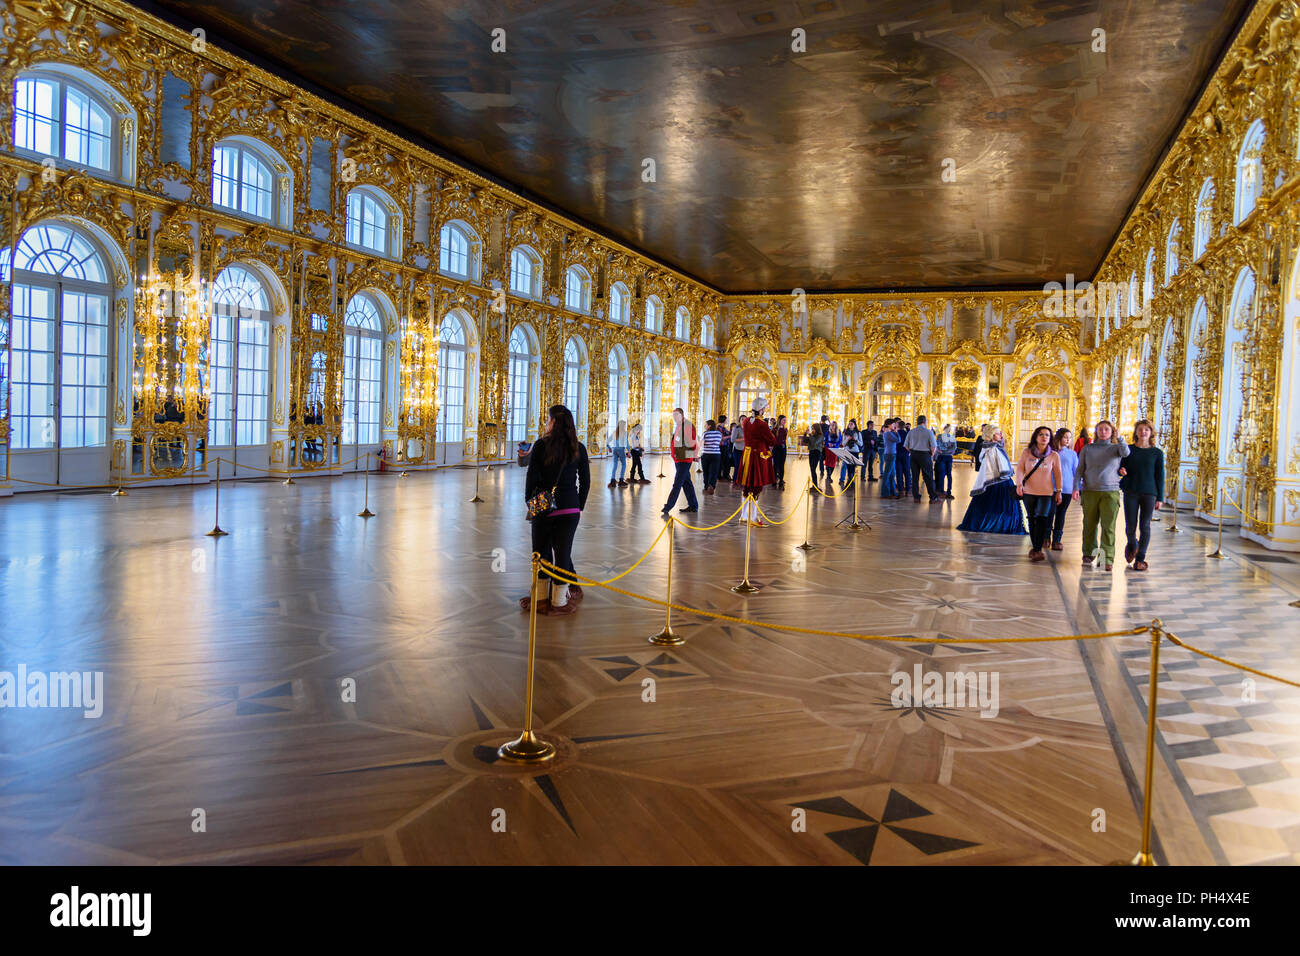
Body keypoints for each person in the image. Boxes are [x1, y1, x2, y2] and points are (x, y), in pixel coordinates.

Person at [520, 404, 591, 616]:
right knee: (562, 556)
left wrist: (531, 504)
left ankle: (541, 599)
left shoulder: (541, 446)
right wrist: (577, 505)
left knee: (541, 554)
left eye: (547, 420)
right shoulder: (578, 447)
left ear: (553, 423)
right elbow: (585, 482)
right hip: (569, 510)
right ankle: (559, 601)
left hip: (544, 507)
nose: (545, 423)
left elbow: (531, 479)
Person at [1074, 419, 1129, 570]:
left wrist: (1120, 438)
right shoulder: (1088, 448)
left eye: (1107, 429)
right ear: (1096, 431)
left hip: (1110, 492)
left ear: (1111, 432)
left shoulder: (1116, 448)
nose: (1103, 432)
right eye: (1101, 429)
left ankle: (1106, 558)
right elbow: (1080, 469)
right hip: (1090, 491)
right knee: (1089, 525)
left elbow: (1126, 452)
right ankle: (1089, 553)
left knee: (1108, 526)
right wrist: (1075, 488)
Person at [957, 425, 1026, 535]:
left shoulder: (990, 447)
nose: (1000, 435)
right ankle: (999, 525)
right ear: (991, 435)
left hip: (995, 481)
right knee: (1002, 506)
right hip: (998, 481)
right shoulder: (992, 449)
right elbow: (996, 468)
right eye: (998, 433)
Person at [1121, 419, 1164, 572]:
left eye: (1146, 429)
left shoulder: (1157, 453)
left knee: (1145, 526)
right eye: (1140, 429)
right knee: (1130, 527)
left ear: (1151, 433)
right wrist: (1121, 471)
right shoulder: (1128, 449)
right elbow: (1121, 466)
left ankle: (1140, 559)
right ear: (1136, 432)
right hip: (1131, 491)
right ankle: (1133, 545)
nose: (1143, 432)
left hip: (1150, 493)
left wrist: (1160, 498)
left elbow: (1160, 476)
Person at [1014, 426, 1063, 561]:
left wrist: (1059, 491)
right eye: (1041, 434)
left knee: (1041, 518)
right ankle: (1036, 547)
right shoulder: (1027, 453)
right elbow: (1020, 469)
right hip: (1029, 491)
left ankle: (1037, 549)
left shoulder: (1054, 455)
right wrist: (1019, 484)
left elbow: (1058, 475)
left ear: (1050, 438)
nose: (1044, 437)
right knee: (1032, 519)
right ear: (1035, 437)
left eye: (1047, 435)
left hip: (1046, 493)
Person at [738, 398, 778, 525]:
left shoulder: (746, 421)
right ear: (761, 409)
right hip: (757, 457)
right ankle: (753, 517)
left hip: (747, 455)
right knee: (756, 487)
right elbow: (772, 441)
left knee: (746, 487)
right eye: (764, 408)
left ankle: (744, 515)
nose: (765, 409)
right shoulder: (762, 424)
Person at [661, 408, 700, 516]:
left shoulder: (687, 426)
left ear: (682, 415)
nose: (674, 417)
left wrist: (693, 455)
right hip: (679, 458)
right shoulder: (679, 426)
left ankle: (668, 506)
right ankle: (693, 505)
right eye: (673, 415)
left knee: (677, 483)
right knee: (687, 483)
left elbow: (693, 442)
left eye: (676, 414)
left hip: (684, 459)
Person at [1050, 428, 1078, 551]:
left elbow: (1076, 471)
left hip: (1066, 487)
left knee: (1061, 514)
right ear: (1059, 438)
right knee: (1049, 513)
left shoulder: (1072, 454)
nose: (1068, 440)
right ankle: (1046, 537)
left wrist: (1077, 487)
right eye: (1065, 437)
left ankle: (1057, 540)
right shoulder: (1050, 452)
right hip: (1050, 487)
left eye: (1069, 438)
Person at [904, 414, 939, 502]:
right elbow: (934, 446)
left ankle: (916, 497)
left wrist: (912, 452)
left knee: (915, 477)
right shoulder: (928, 432)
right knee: (928, 476)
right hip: (925, 455)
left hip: (914, 454)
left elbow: (906, 446)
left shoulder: (911, 432)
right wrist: (931, 454)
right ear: (925, 422)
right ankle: (932, 497)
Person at [700, 418, 723, 495]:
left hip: (706, 454)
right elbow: (719, 442)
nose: (705, 426)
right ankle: (712, 485)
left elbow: (701, 444)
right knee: (714, 472)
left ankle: (706, 486)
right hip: (716, 454)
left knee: (706, 471)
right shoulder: (719, 433)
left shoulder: (705, 433)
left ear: (709, 426)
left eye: (706, 425)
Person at [935, 424, 957, 499]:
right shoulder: (952, 437)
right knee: (948, 475)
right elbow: (954, 448)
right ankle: (948, 492)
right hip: (949, 456)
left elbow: (938, 447)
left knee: (942, 474)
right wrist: (949, 451)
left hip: (942, 456)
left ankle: (941, 491)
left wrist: (943, 450)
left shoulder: (939, 436)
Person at [606, 419, 628, 488]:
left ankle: (612, 480)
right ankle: (621, 480)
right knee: (624, 464)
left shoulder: (614, 432)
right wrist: (629, 451)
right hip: (621, 449)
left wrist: (609, 447)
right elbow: (626, 443)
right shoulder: (624, 432)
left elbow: (607, 441)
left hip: (614, 449)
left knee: (615, 465)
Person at [842, 419, 862, 485]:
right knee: (848, 467)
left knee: (853, 467)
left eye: (852, 424)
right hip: (847, 451)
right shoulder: (845, 433)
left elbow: (861, 444)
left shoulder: (858, 433)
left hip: (855, 451)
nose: (850, 425)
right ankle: (850, 481)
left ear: (854, 425)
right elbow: (843, 444)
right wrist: (848, 439)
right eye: (849, 423)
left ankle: (850, 481)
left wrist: (856, 440)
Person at [895, 420, 911, 496]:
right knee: (907, 472)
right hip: (906, 454)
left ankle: (900, 490)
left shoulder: (895, 433)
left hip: (897, 454)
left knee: (899, 473)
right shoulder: (907, 433)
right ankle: (907, 490)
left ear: (898, 426)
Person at [773, 415, 789, 489]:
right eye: (783, 420)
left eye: (785, 420)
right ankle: (774, 480)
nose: (784, 422)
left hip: (783, 448)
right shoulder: (775, 429)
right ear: (779, 420)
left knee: (782, 465)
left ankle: (781, 481)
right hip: (776, 448)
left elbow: (784, 439)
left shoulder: (785, 429)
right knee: (776, 465)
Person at [730, 416, 746, 484]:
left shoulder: (747, 428)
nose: (744, 420)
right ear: (739, 420)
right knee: (737, 466)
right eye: (742, 419)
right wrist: (744, 439)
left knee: (744, 466)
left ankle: (742, 480)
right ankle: (735, 480)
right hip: (738, 449)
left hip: (745, 450)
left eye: (745, 419)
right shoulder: (736, 428)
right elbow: (732, 440)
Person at [718, 415, 732, 482]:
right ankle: (720, 476)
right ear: (724, 420)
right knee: (722, 462)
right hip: (721, 446)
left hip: (725, 446)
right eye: (726, 419)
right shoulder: (718, 428)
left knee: (726, 462)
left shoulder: (723, 428)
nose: (727, 421)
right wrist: (730, 436)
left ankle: (724, 475)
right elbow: (721, 438)